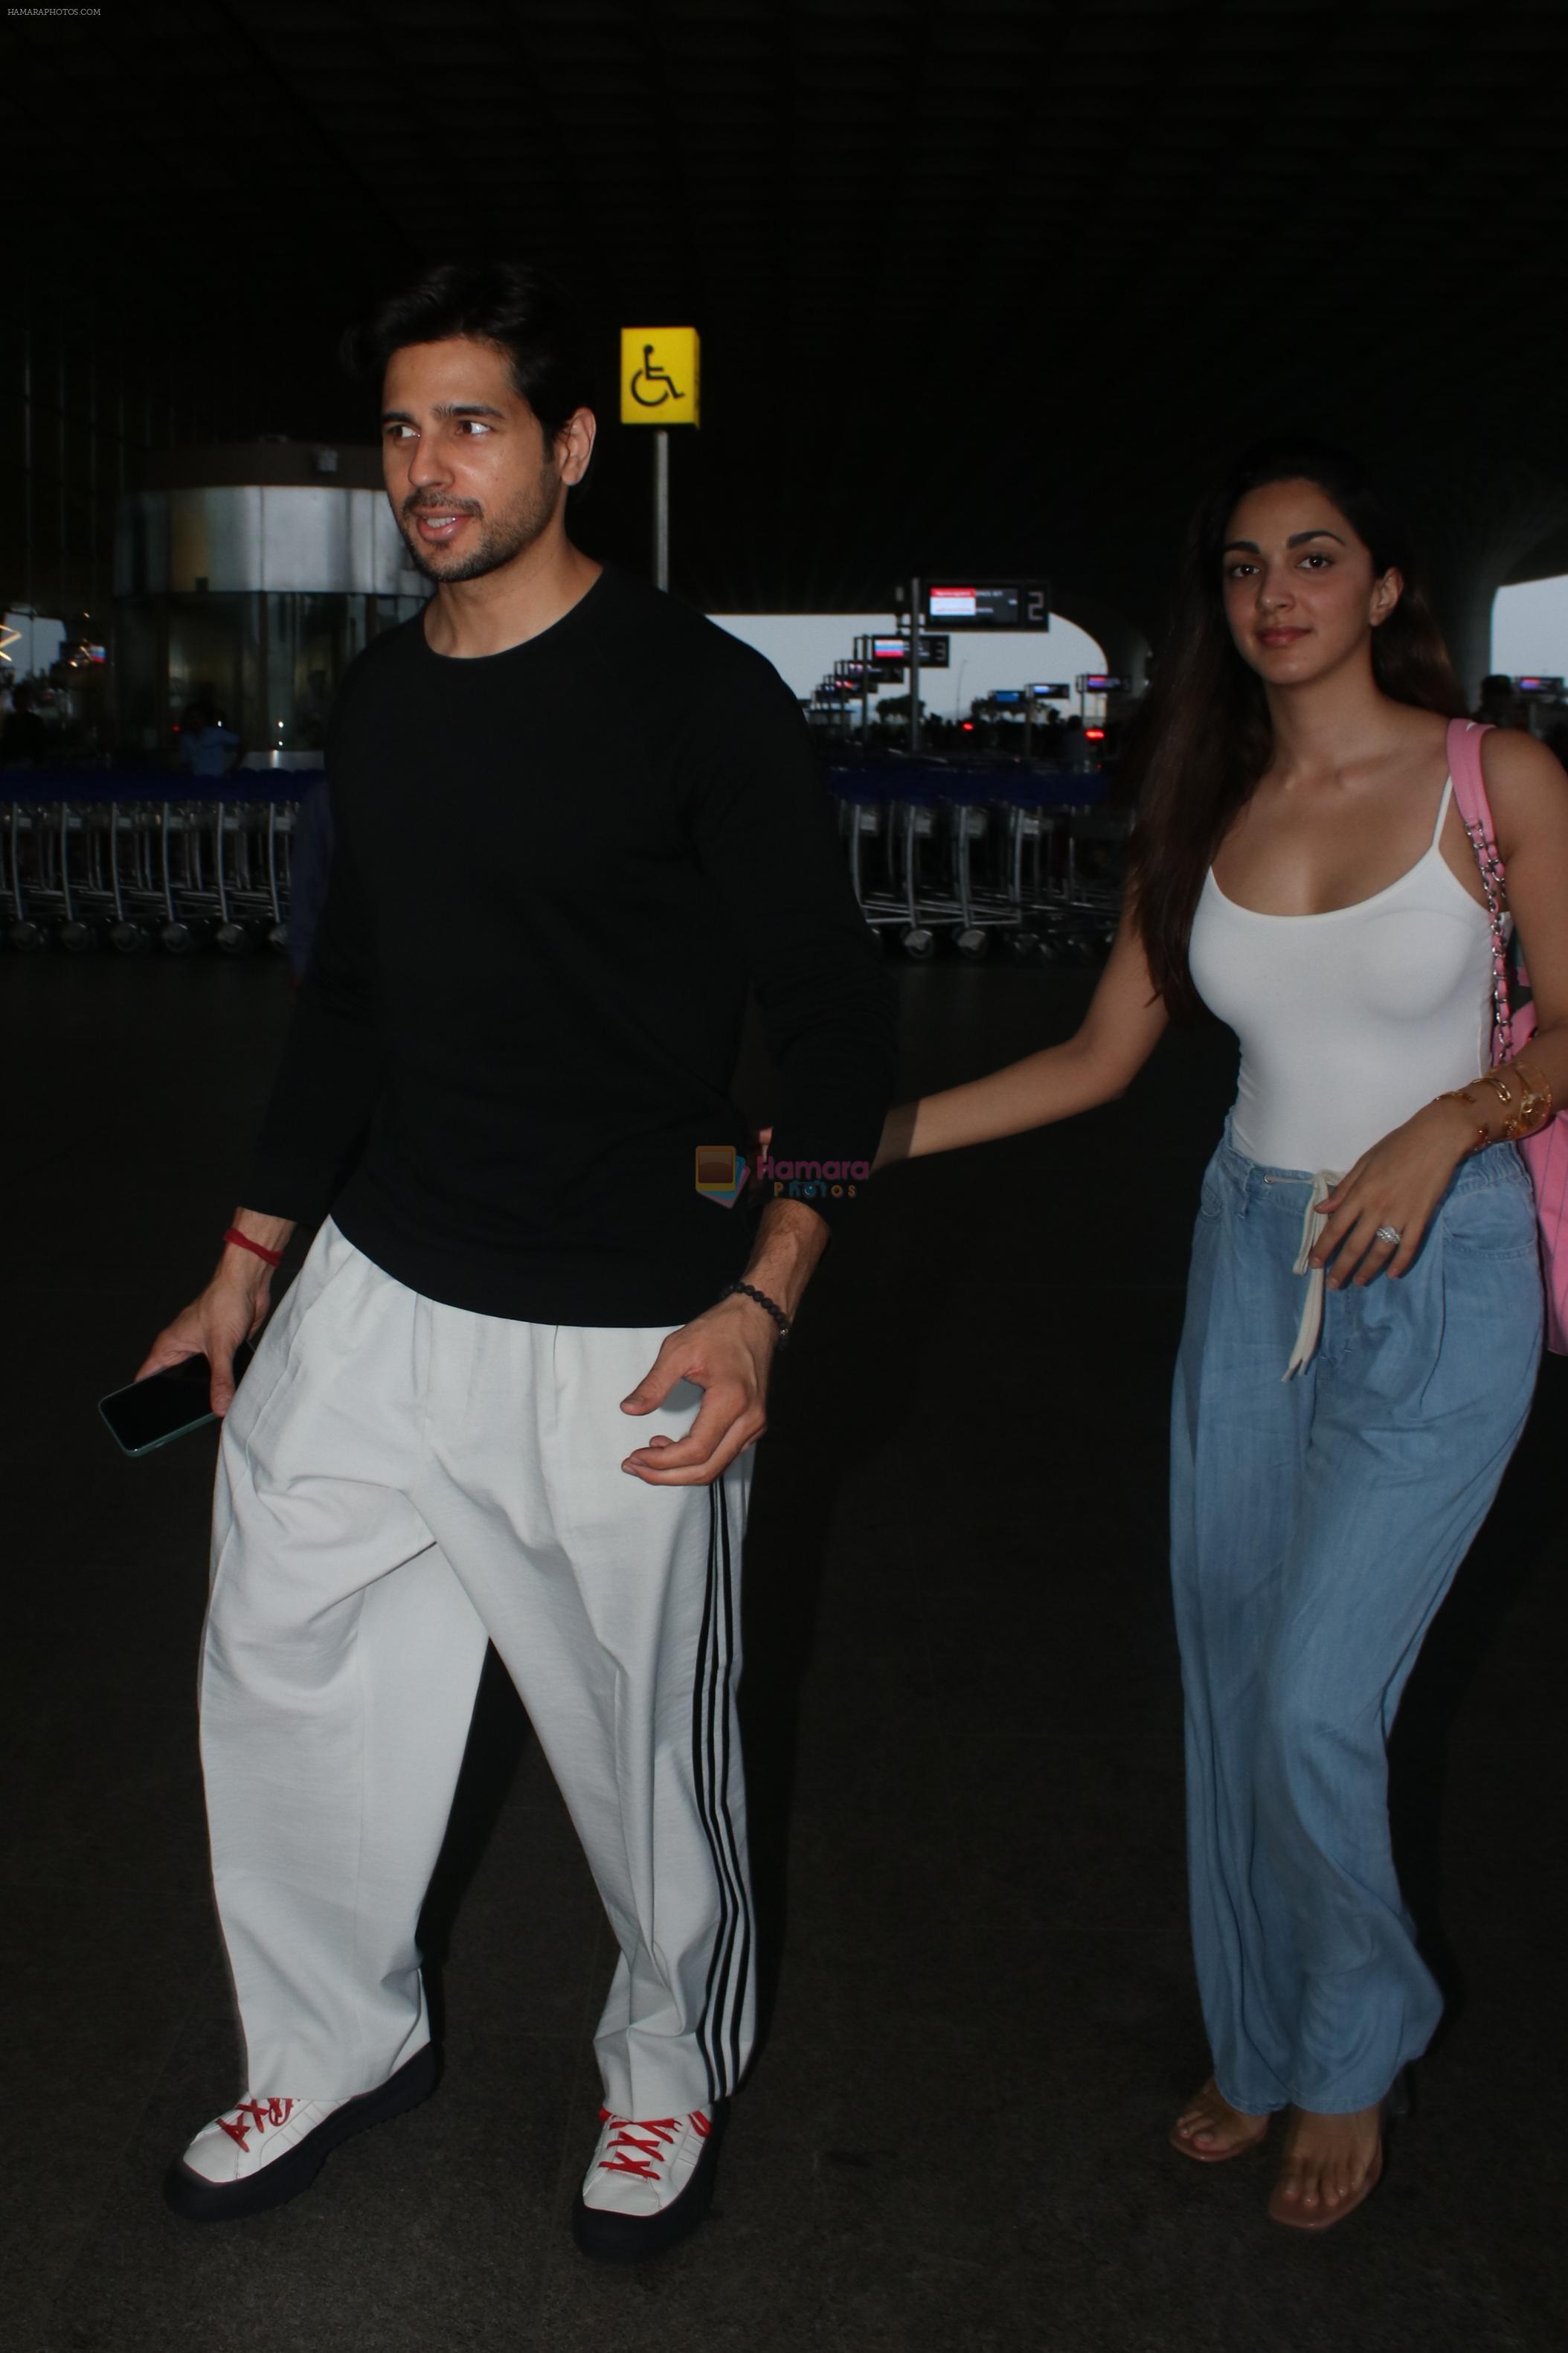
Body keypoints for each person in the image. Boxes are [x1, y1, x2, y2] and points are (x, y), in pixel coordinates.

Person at [136, 261, 896, 2261]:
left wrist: (764, 1294)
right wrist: (248, 1254)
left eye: (468, 423)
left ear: (569, 445)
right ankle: (333, 2032)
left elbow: (832, 1022)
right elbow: (350, 1001)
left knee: (645, 1744)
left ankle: (665, 2075)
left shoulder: (695, 696)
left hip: (629, 1314)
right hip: (382, 1281)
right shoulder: (384, 699)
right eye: (399, 429)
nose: (425, 468)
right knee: (281, 1651)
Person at [875, 443, 1568, 2230]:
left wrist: (1452, 1120)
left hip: (1443, 1260)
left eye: (1316, 557)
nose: (1276, 593)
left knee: (1322, 1698)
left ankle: (1357, 2040)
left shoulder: (1495, 780)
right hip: (1249, 1257)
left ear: (1386, 584)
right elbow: (1098, 1062)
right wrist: (843, 1144)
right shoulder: (1204, 811)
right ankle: (1258, 2033)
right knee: (1233, 1687)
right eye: (1248, 565)